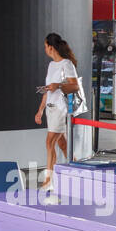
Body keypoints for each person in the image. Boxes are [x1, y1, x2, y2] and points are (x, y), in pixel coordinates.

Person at [35, 33, 84, 185]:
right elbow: (49, 90)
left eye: (45, 46)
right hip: (50, 108)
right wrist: (40, 110)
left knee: (49, 142)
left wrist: (59, 85)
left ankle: (48, 180)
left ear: (51, 47)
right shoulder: (51, 65)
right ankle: (79, 171)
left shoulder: (67, 64)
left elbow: (75, 86)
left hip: (60, 108)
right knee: (62, 144)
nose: (45, 49)